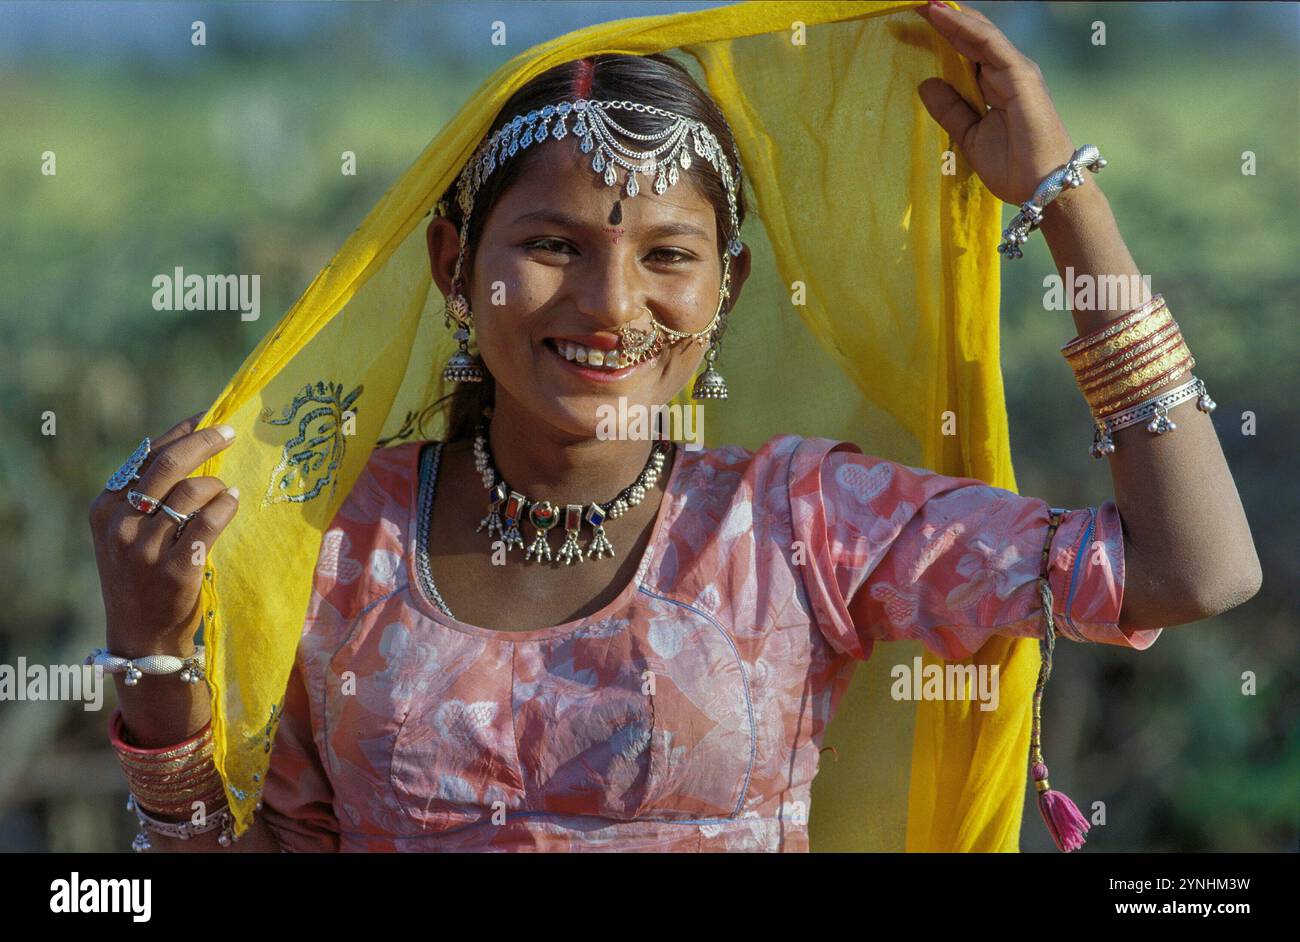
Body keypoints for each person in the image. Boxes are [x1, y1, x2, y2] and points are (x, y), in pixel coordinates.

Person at [87, 4, 1261, 852]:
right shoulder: (335, 538)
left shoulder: (799, 526)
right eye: (551, 247)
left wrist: (1065, 200)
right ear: (456, 263)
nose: (610, 306)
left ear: (727, 288)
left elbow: (1189, 569)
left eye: (667, 257)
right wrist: (154, 664)